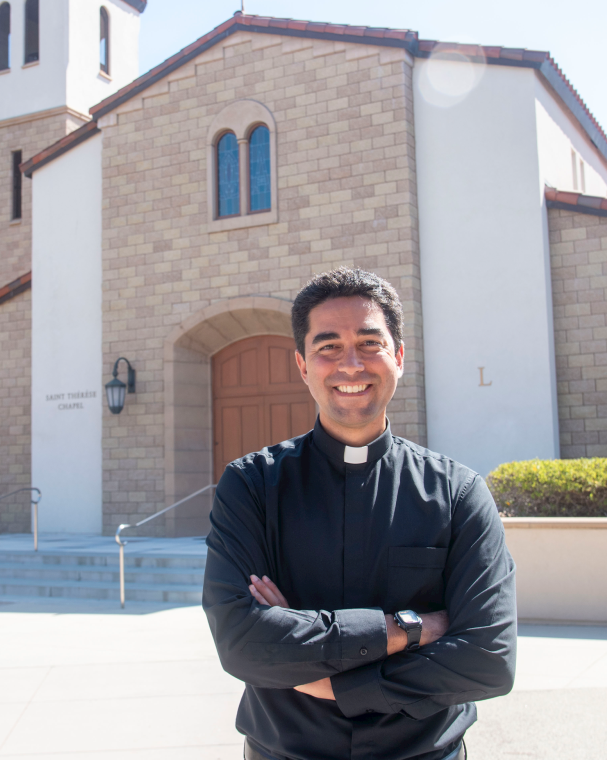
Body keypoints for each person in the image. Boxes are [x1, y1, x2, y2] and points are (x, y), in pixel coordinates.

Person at [202, 267, 517, 760]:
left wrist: (324, 677)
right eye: (328, 347)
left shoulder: (458, 494)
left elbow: (487, 660)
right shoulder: (250, 487)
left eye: (370, 343)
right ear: (303, 366)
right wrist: (412, 629)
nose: (350, 364)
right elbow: (243, 644)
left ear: (399, 357)